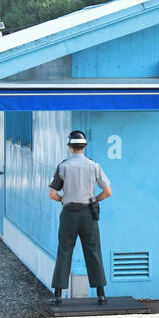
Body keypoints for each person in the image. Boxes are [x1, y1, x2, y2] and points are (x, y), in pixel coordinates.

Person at [49, 130, 112, 305]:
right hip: (88, 214)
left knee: (64, 251)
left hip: (69, 213)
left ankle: (58, 294)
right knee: (93, 251)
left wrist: (63, 199)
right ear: (84, 146)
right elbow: (108, 192)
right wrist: (94, 200)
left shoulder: (63, 166)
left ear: (70, 147)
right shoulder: (94, 166)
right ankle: (100, 293)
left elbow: (53, 194)